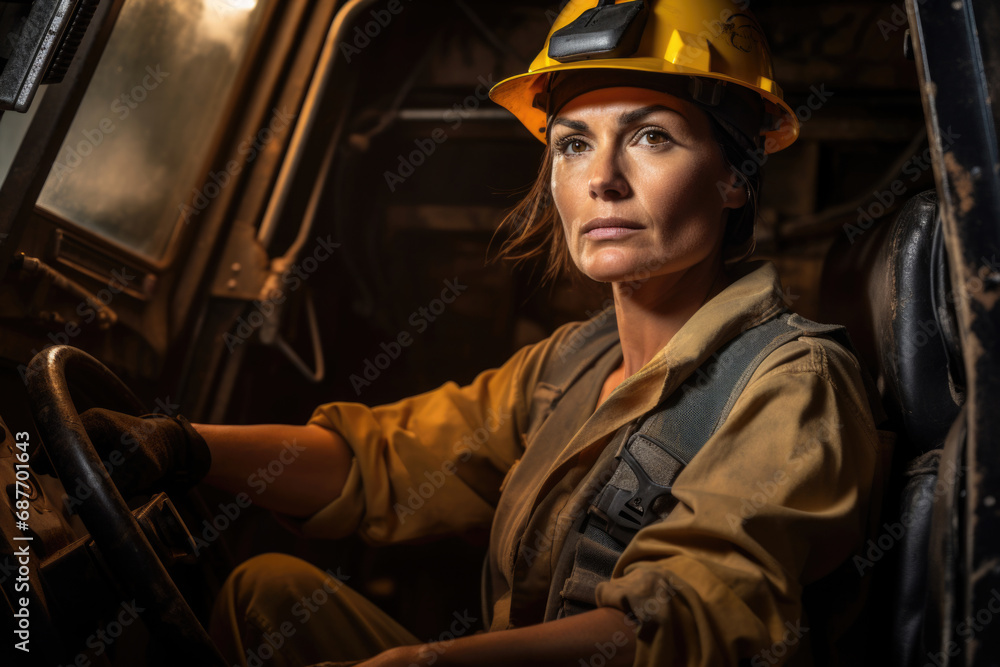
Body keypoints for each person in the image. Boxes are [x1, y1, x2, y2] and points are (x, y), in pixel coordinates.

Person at [82, 1, 890, 665]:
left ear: (734, 176)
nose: (602, 178)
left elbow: (686, 630)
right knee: (265, 591)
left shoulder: (792, 381)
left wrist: (432, 666)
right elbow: (387, 462)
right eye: (574, 143)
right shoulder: (575, 363)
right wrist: (183, 447)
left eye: (652, 136)